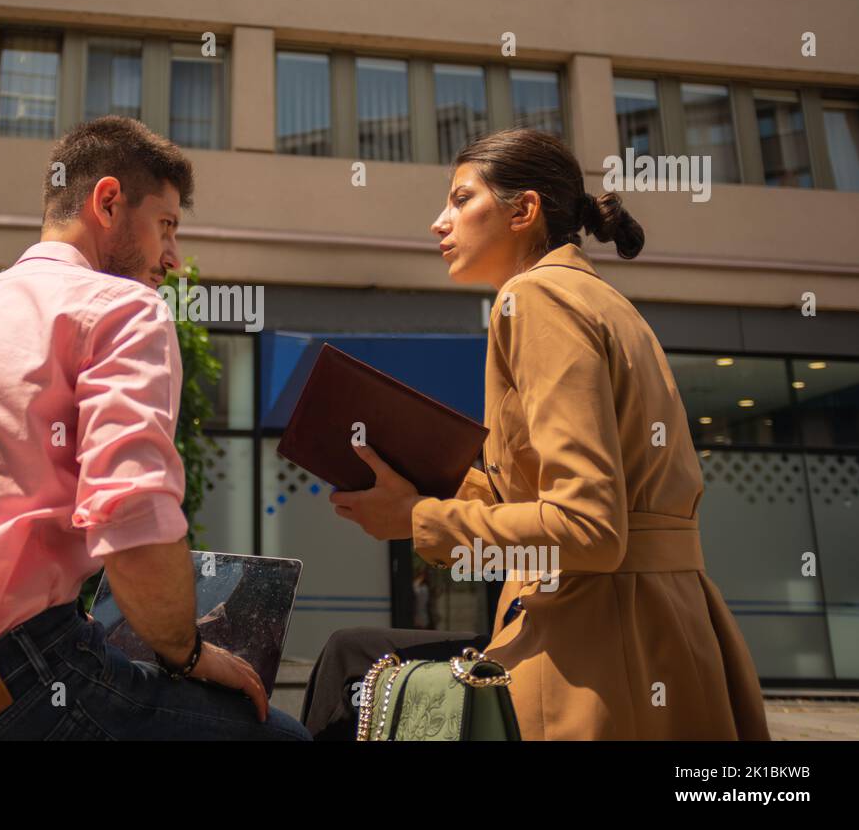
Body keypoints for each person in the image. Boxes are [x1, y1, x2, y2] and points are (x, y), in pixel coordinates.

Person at [0, 115, 309, 741]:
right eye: (167, 227)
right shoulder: (122, 309)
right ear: (107, 202)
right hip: (17, 694)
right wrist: (188, 655)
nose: (174, 261)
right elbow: (130, 519)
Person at [308, 128, 769, 740]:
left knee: (351, 664)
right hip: (657, 633)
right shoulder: (602, 300)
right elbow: (557, 501)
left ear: (524, 210)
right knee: (355, 651)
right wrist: (428, 485)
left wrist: (422, 518)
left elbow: (588, 528)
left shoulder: (534, 300)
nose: (438, 222)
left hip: (596, 645)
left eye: (461, 199)